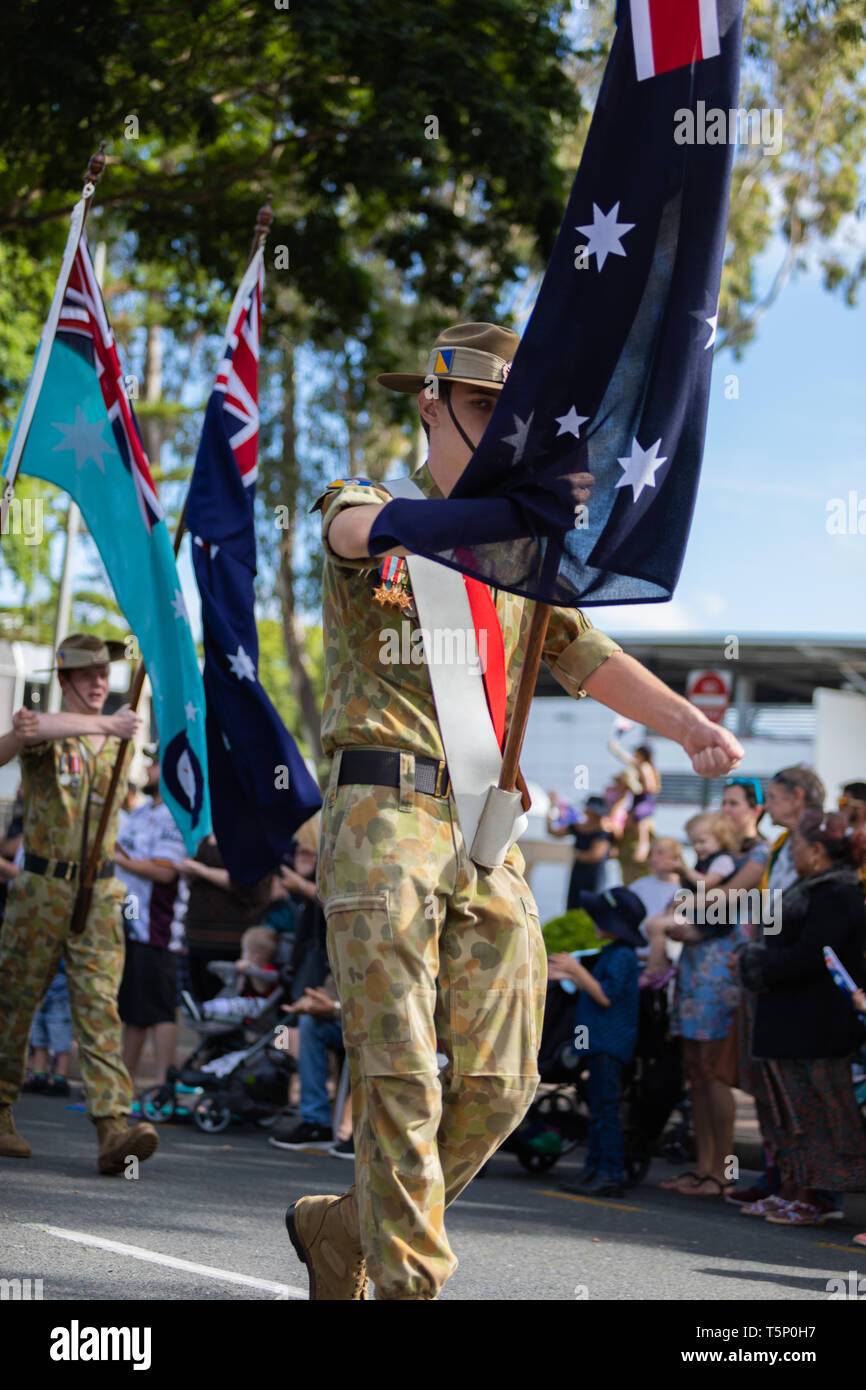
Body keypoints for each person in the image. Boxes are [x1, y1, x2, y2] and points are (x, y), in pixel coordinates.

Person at [287, 321, 743, 1302]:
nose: (501, 429)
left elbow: (583, 653)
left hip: (482, 825)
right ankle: (410, 1283)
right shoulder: (373, 499)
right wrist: (498, 514)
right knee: (401, 1078)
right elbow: (355, 536)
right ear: (430, 399)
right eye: (483, 406)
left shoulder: (522, 563)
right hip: (382, 815)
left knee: (499, 1085)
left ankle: (342, 1226)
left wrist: (687, 724)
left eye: (513, 414)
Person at [0, 634, 159, 1173]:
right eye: (87, 674)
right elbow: (26, 733)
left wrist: (116, 730)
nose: (99, 682)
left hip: (101, 890)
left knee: (98, 1008)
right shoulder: (51, 730)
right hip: (42, 888)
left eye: (105, 673)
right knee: (15, 999)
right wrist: (108, 724)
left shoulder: (121, 741)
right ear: (64, 680)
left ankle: (113, 1128)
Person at [738, 811, 866, 1225]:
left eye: (796, 845)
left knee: (820, 1112)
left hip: (817, 1024)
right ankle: (793, 1187)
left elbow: (815, 955)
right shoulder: (811, 886)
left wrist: (756, 963)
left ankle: (818, 1196)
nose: (790, 853)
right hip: (789, 1020)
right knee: (792, 1115)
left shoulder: (837, 892)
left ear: (817, 849)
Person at [726, 765, 825, 1208]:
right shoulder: (783, 843)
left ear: (798, 797)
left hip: (795, 979)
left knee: (804, 1094)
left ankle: (813, 1189)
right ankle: (781, 1178)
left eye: (774, 795)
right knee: (769, 1086)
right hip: (764, 968)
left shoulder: (817, 840)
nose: (768, 804)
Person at [653, 812, 743, 1198]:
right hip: (694, 972)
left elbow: (720, 920)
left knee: (712, 1071)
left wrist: (686, 926)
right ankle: (705, 1166)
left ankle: (722, 1172)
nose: (698, 847)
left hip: (715, 975)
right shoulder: (705, 871)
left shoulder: (730, 868)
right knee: (697, 1071)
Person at [548, 887, 645, 1197]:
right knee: (597, 1111)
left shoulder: (623, 956)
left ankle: (610, 1172)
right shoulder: (611, 953)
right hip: (598, 1042)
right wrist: (570, 975)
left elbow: (604, 996)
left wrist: (576, 970)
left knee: (605, 1111)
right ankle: (592, 1170)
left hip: (609, 1043)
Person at [114, 751, 187, 1091]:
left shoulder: (174, 818)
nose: (146, 768)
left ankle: (163, 1084)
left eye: (154, 762)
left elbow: (165, 871)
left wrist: (117, 859)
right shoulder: (141, 813)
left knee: (159, 1010)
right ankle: (122, 1086)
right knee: (132, 1011)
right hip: (128, 926)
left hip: (157, 930)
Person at [182, 834, 275, 1001]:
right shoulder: (205, 834)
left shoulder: (251, 836)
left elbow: (250, 885)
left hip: (230, 940)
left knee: (226, 1010)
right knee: (203, 1008)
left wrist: (202, 871)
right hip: (197, 935)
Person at [182, 925, 279, 1023]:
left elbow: (261, 988)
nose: (242, 955)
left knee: (236, 1004)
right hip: (246, 1005)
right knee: (231, 1001)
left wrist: (251, 969)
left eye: (245, 951)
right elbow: (240, 989)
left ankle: (204, 1010)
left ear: (257, 957)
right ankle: (202, 1008)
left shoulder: (267, 970)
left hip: (262, 1009)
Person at [546, 794, 613, 906]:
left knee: (590, 909)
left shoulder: (603, 833)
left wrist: (576, 854)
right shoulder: (578, 827)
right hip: (578, 874)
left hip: (594, 877)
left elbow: (595, 855)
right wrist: (551, 807)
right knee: (573, 905)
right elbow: (553, 831)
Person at [22, 961, 73, 1097]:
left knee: (61, 1041)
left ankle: (60, 1079)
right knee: (38, 1040)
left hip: (59, 996)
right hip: (38, 993)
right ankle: (39, 1075)